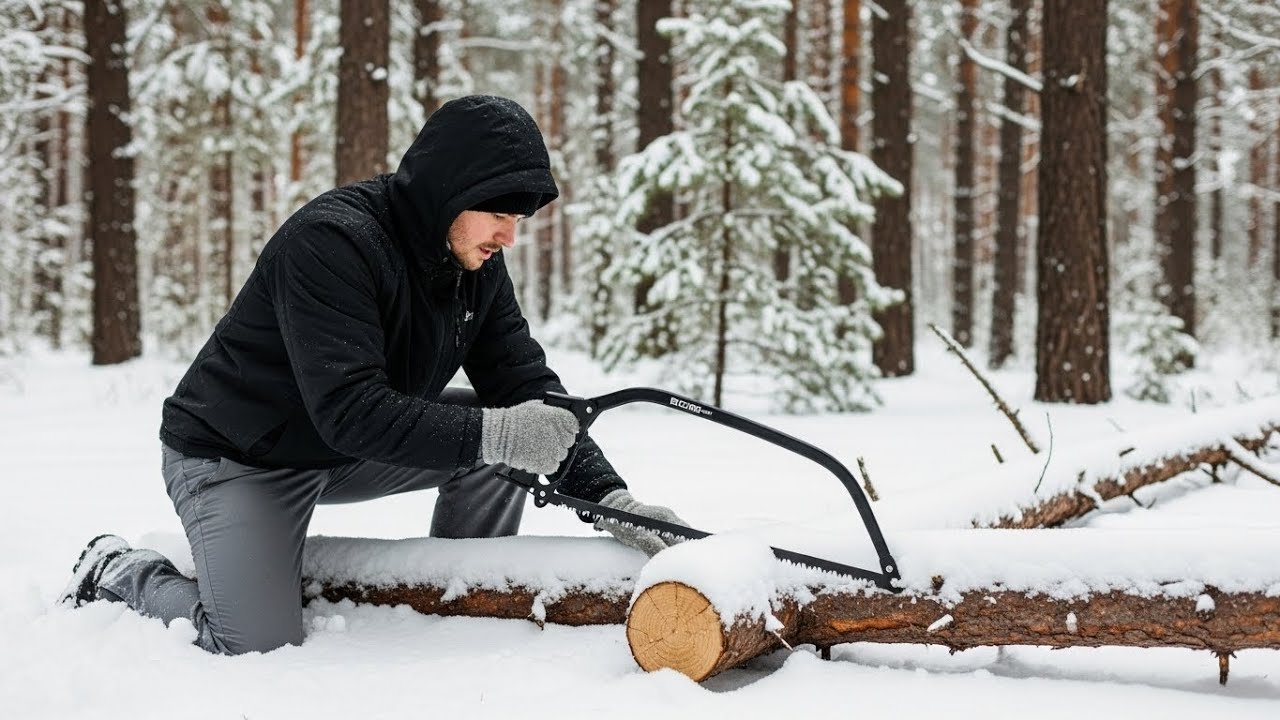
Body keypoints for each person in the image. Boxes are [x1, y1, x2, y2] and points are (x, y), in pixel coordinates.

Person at [60, 94, 686, 655]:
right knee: (249, 644)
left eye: (519, 218)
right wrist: (502, 435)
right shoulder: (333, 241)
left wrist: (609, 497)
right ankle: (120, 570)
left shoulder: (475, 264)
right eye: (498, 211)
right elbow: (350, 410)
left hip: (349, 449)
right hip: (240, 458)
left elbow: (524, 386)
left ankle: (461, 591)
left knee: (511, 436)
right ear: (448, 190)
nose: (509, 235)